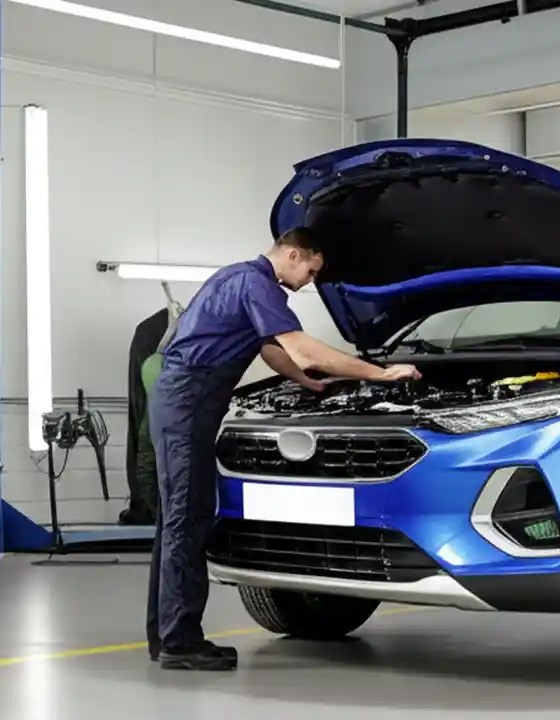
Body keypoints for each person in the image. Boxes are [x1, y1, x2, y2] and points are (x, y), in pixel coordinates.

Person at [145, 226, 420, 671]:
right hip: (190, 400)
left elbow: (271, 350)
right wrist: (380, 374)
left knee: (174, 518)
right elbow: (303, 348)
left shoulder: (237, 277)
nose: (311, 281)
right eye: (311, 271)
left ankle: (164, 637)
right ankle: (181, 641)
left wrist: (306, 383)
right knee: (188, 517)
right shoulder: (257, 284)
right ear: (294, 254)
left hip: (179, 397)